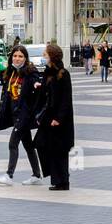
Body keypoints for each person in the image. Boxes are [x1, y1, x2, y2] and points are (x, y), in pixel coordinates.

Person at [0, 45, 45, 187]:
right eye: (15, 56)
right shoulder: (11, 73)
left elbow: (36, 81)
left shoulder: (30, 72)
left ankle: (9, 175)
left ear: (25, 58)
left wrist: (37, 84)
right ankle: (37, 175)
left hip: (24, 115)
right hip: (15, 114)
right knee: (28, 145)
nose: (17, 58)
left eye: (20, 56)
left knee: (12, 143)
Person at [35, 43, 75, 191]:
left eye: (45, 55)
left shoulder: (63, 74)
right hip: (48, 117)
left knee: (59, 150)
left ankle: (62, 182)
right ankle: (54, 175)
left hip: (59, 120)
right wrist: (40, 86)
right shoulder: (48, 72)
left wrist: (58, 118)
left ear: (52, 56)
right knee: (41, 143)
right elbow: (47, 92)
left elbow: (66, 99)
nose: (43, 57)